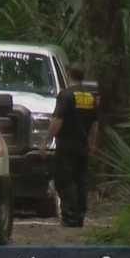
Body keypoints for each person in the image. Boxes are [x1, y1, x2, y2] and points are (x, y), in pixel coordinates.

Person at [46, 65, 99, 227]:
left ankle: (69, 216)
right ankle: (79, 216)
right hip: (82, 146)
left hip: (66, 145)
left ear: (68, 76)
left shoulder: (66, 95)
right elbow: (96, 124)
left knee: (65, 180)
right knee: (80, 180)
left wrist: (47, 141)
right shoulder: (90, 97)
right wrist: (92, 143)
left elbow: (57, 121)